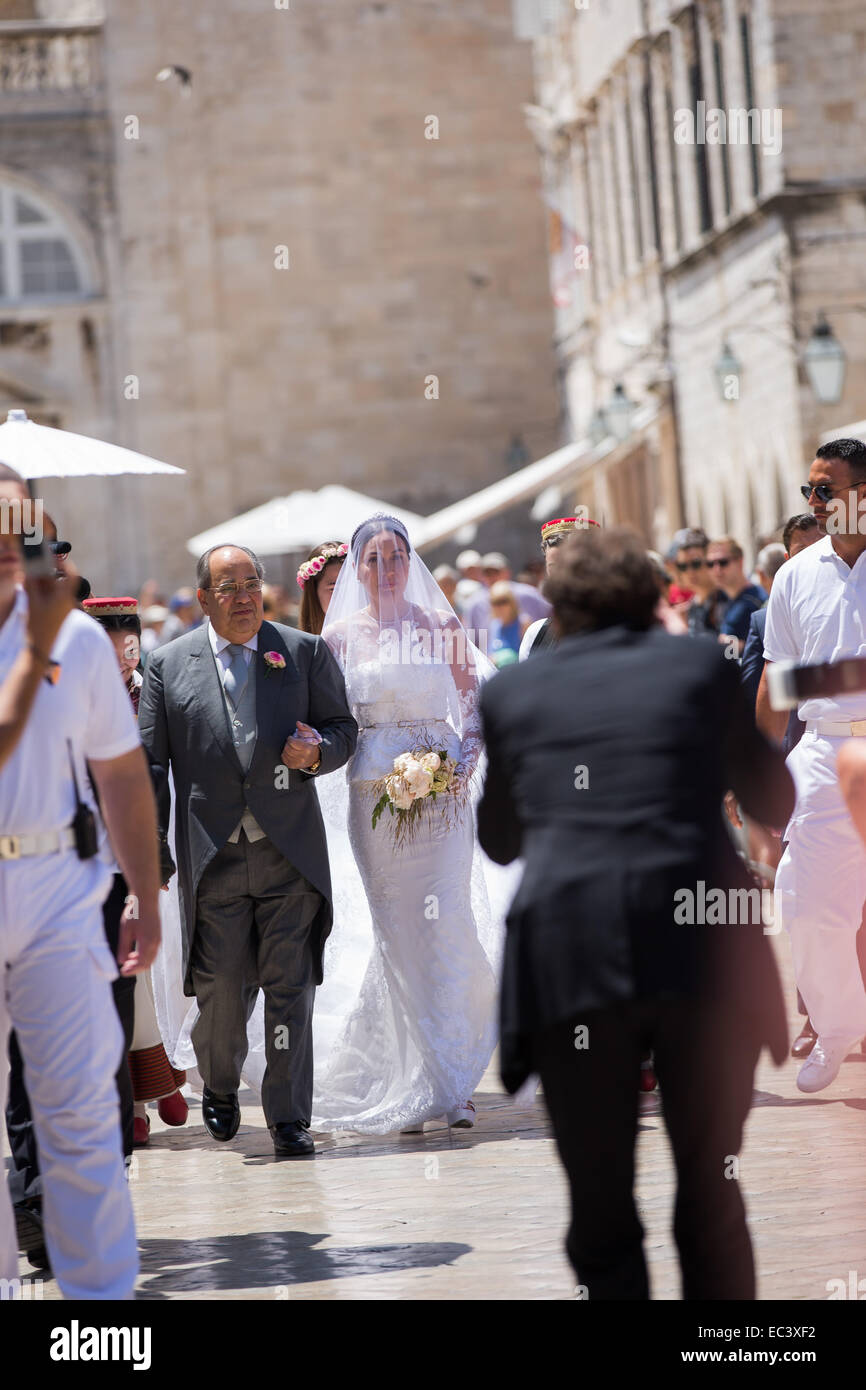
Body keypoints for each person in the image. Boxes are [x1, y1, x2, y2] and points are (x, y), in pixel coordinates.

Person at [477, 527, 793, 1300]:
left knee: (600, 1203)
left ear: (560, 606)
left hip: (570, 957)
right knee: (712, 1189)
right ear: (652, 597)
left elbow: (500, 839)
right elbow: (772, 798)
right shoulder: (700, 668)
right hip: (702, 953)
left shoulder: (513, 691)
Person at [138, 543, 357, 1159]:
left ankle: (290, 1116)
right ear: (203, 598)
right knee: (222, 994)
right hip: (214, 859)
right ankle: (222, 1083)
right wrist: (152, 849)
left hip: (290, 853)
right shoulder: (167, 666)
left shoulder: (303, 652)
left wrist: (316, 753)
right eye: (228, 586)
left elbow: (343, 730)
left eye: (252, 583)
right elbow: (151, 766)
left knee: (291, 987)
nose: (243, 597)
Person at [0, 465, 162, 1299]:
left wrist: (144, 891)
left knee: (82, 1121)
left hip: (62, 881)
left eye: (34, 536)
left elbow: (123, 773)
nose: (29, 552)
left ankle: (101, 1319)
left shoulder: (79, 638)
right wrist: (32, 645)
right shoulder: (44, 637)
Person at [312, 514, 500, 1133]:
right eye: (373, 560)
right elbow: (333, 720)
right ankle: (412, 1071)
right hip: (373, 792)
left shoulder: (442, 625)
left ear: (410, 563)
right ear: (357, 569)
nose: (387, 570)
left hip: (442, 795)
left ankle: (455, 1074)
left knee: (446, 922)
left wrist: (459, 771)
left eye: (396, 557)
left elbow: (475, 708)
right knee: (398, 931)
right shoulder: (337, 637)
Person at [758, 438, 866, 1092]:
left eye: (827, 490)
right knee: (801, 898)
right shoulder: (796, 575)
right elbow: (778, 682)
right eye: (810, 492)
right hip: (825, 748)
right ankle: (838, 1024)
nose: (815, 504)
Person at [83, 596, 188, 1147]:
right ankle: (141, 1095)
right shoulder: (77, 698)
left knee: (147, 973)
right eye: (112, 647)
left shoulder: (156, 692)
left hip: (152, 841)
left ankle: (154, 1084)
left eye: (131, 646)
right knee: (117, 977)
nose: (125, 659)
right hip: (91, 850)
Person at [520, 515, 601, 658]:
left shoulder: (631, 630)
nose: (563, 576)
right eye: (554, 568)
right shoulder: (537, 635)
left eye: (575, 567)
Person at [465, 550, 550, 650]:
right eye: (487, 573)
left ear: (507, 572)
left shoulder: (529, 595)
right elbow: (472, 640)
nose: (492, 577)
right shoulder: (475, 604)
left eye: (496, 572)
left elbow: (551, 619)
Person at [706, 536, 767, 655]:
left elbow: (728, 652)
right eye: (710, 564)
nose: (716, 569)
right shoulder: (720, 599)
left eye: (723, 562)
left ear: (740, 561)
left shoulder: (756, 600)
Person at [297, 540, 348, 635]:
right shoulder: (301, 646)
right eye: (334, 589)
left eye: (350, 586)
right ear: (314, 593)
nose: (345, 595)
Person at [488, 582, 530, 665]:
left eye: (503, 601)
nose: (500, 607)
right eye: (495, 602)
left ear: (512, 603)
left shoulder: (523, 623)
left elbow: (530, 655)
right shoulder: (494, 625)